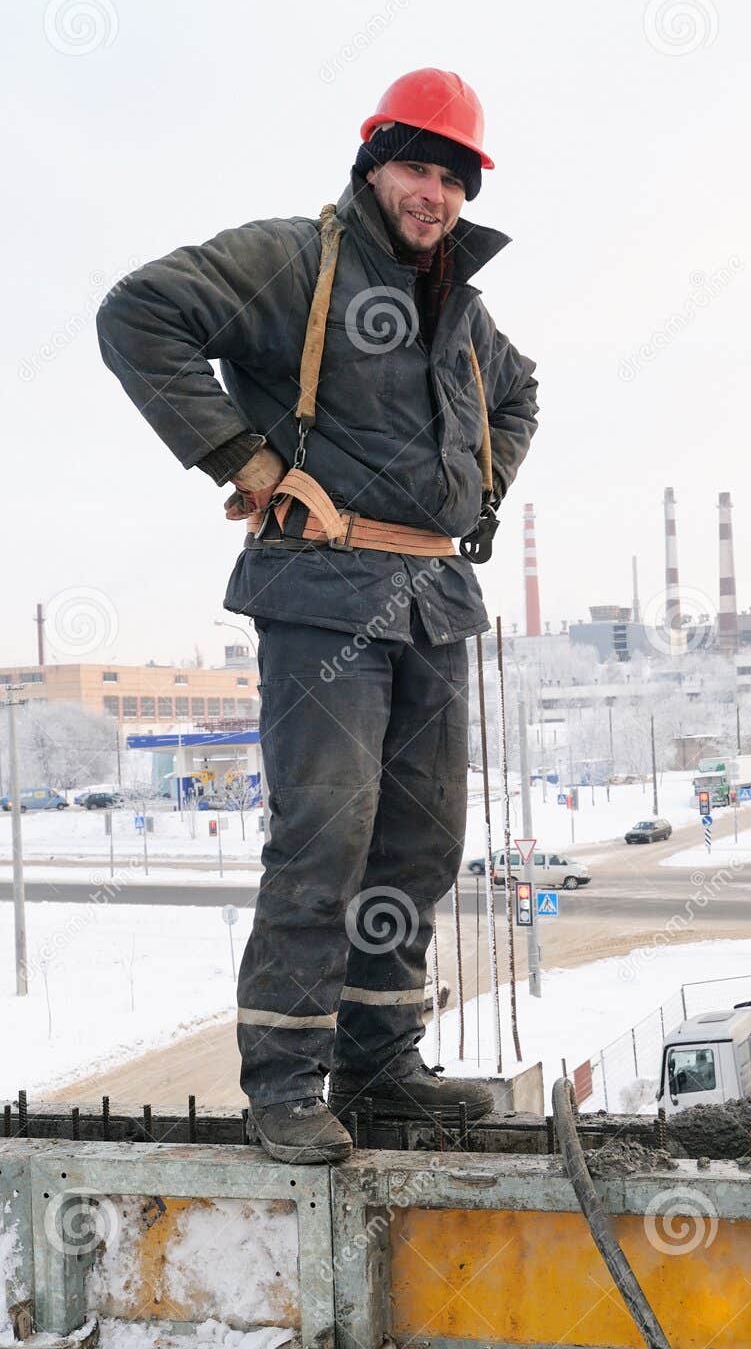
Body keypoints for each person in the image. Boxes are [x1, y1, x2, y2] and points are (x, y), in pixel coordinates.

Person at [97, 69, 538, 1164]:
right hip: (322, 591)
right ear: (371, 163)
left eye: (452, 176)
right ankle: (287, 1081)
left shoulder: (462, 312)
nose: (433, 192)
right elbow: (137, 312)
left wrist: (481, 490)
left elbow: (522, 393)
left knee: (418, 845)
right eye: (416, 167)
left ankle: (382, 1071)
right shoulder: (297, 260)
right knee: (323, 836)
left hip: (433, 598)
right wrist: (246, 460)